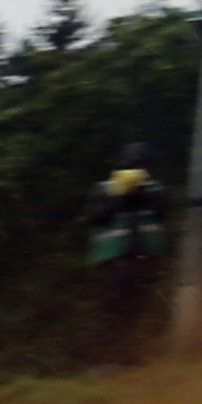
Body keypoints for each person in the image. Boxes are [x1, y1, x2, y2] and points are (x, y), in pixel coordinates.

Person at [84, 143, 171, 365]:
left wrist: (142, 196)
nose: (138, 171)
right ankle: (100, 361)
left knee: (135, 310)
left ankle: (126, 357)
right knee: (109, 310)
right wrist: (119, 198)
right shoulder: (105, 188)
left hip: (143, 258)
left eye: (142, 166)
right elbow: (96, 218)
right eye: (134, 166)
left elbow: (162, 213)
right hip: (113, 259)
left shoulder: (155, 189)